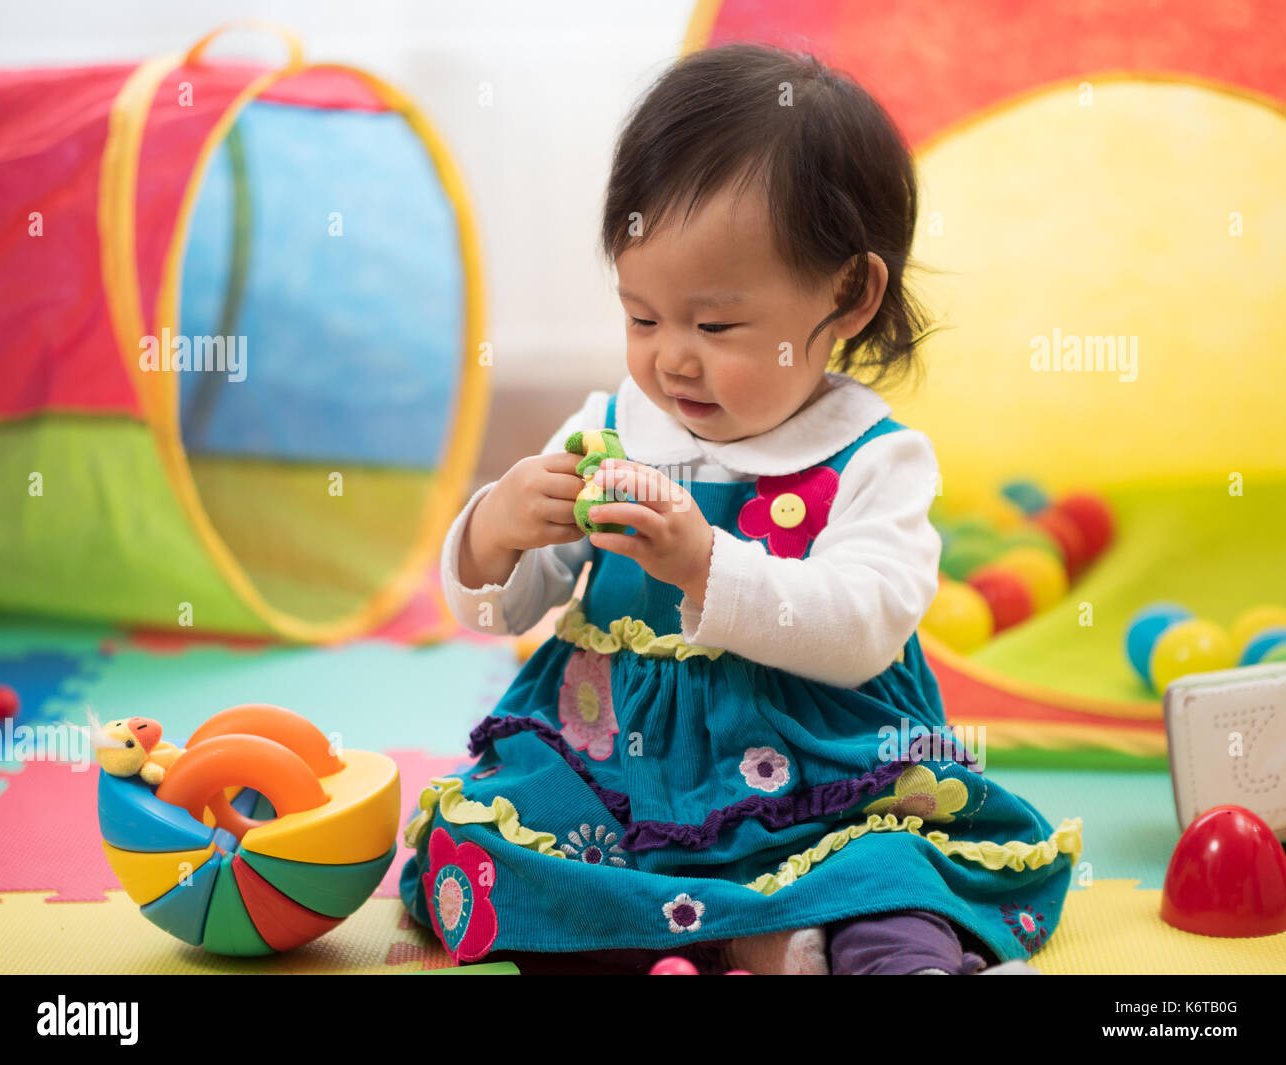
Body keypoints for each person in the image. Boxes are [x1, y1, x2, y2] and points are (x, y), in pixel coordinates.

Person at [399, 42, 1082, 974]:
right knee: (474, 846)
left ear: (849, 294)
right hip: (611, 770)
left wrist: (705, 565)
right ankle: (751, 941)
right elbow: (505, 608)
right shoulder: (609, 429)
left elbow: (865, 627)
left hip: (822, 778)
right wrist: (494, 531)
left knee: (889, 867)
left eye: (715, 325)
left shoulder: (874, 458)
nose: (672, 357)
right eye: (642, 317)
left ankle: (856, 950)